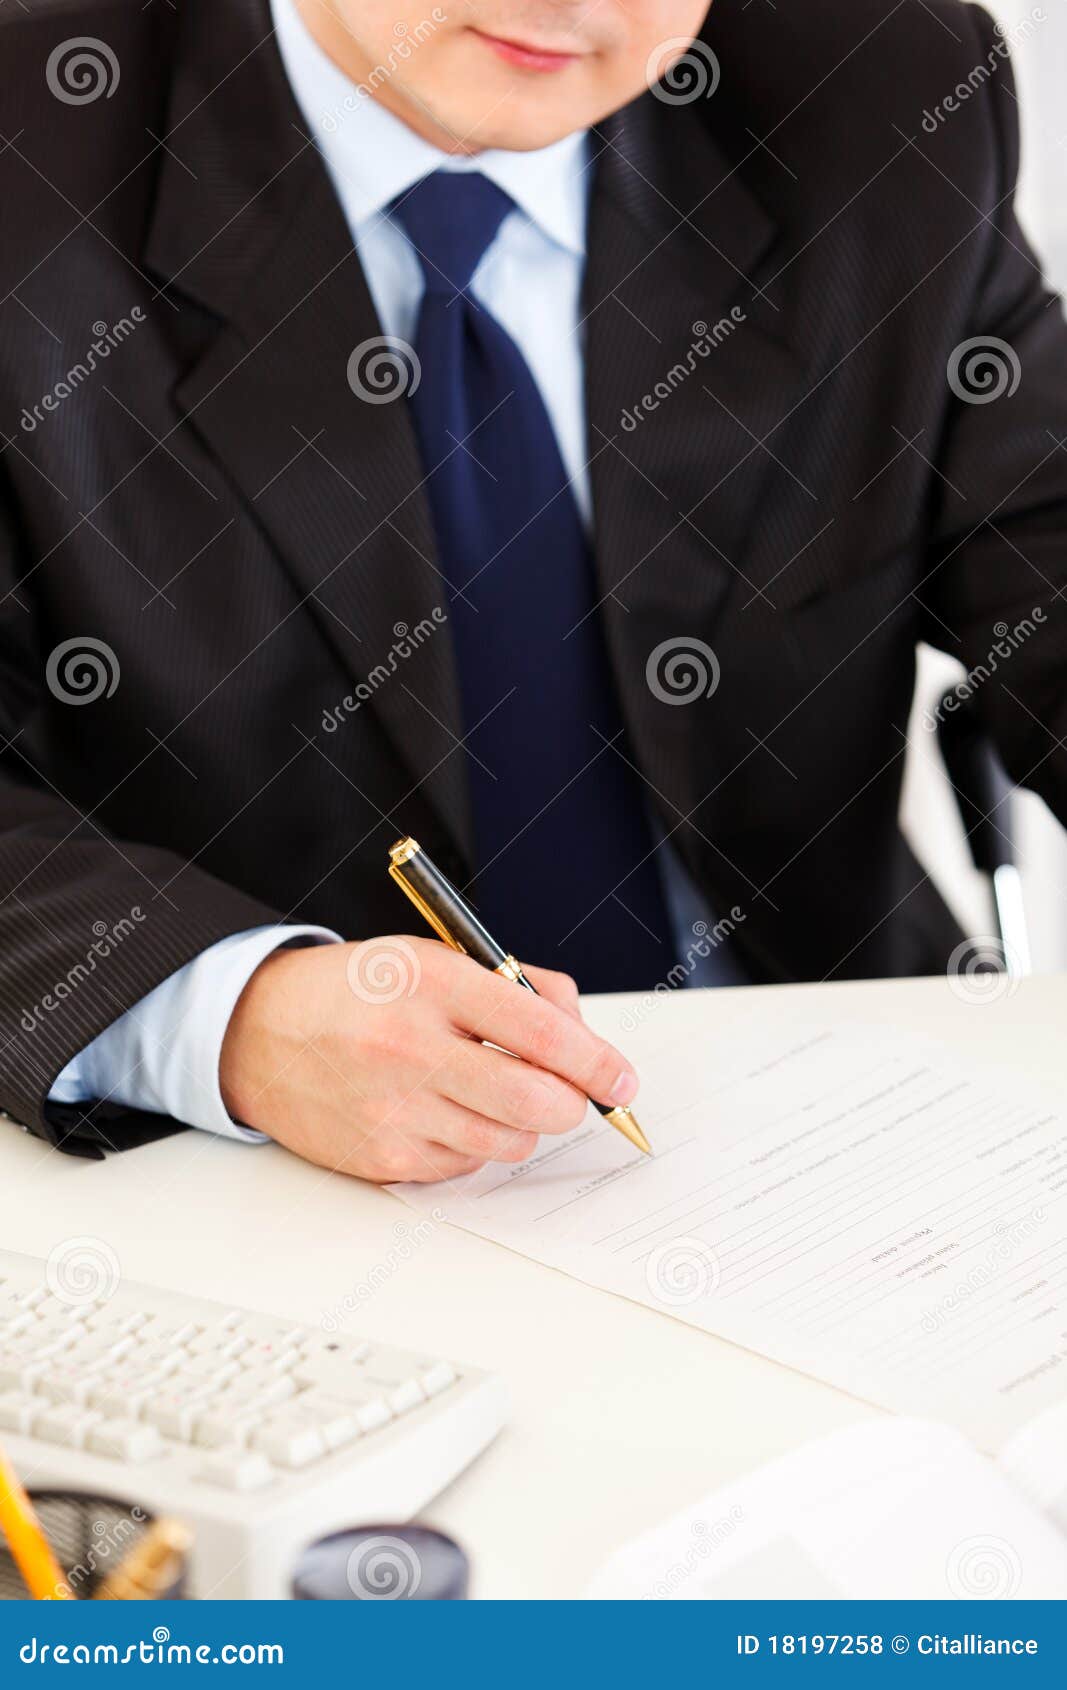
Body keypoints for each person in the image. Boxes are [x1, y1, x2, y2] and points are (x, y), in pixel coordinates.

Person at [1, 0, 1065, 1182]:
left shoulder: (880, 92)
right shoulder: (34, 139)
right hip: (245, 1179)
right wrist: (234, 1013)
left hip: (821, 1119)